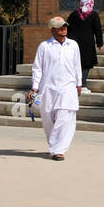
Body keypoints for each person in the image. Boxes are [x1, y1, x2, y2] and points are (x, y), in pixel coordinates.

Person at [28, 16, 83, 160]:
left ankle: (59, 150)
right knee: (48, 119)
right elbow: (37, 68)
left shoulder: (73, 45)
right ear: (52, 30)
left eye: (64, 26)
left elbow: (77, 65)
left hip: (68, 87)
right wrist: (35, 87)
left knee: (65, 118)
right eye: (60, 27)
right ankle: (54, 145)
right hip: (48, 87)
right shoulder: (44, 46)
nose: (63, 29)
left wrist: (79, 84)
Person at [64, 0, 103, 87]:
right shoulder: (94, 14)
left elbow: (67, 28)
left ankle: (74, 84)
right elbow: (98, 29)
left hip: (73, 43)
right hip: (87, 43)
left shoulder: (74, 14)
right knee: (86, 63)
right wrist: (99, 43)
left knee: (74, 63)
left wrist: (65, 41)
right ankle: (82, 84)